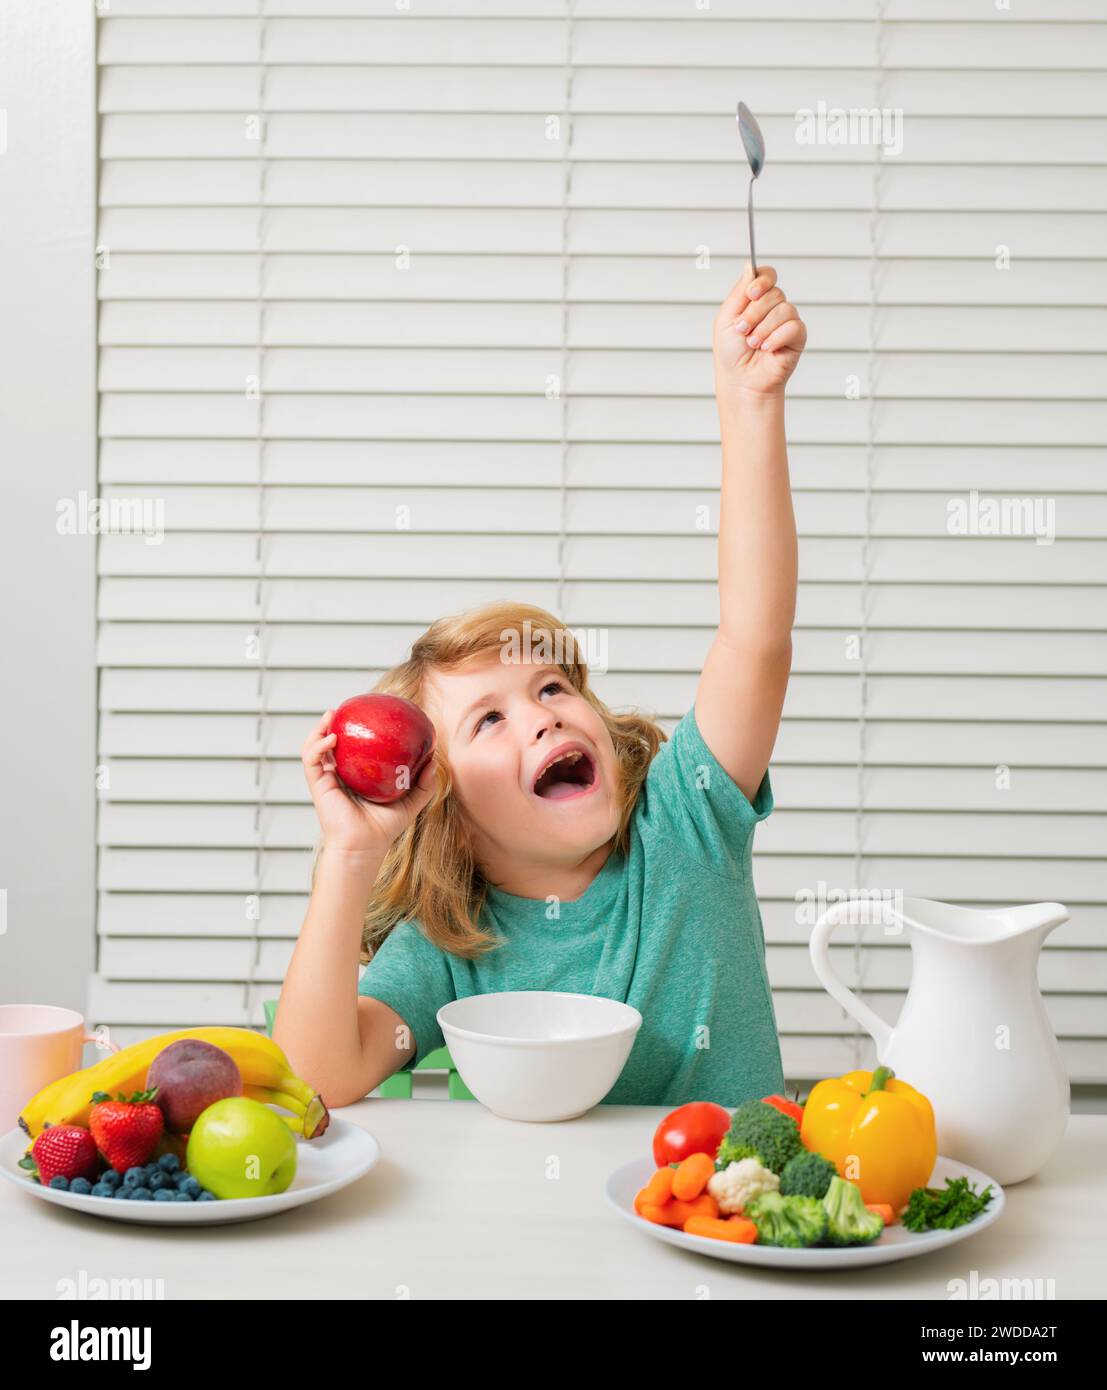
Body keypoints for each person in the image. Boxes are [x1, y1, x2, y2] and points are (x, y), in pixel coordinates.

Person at [275, 263, 807, 1108]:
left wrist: (749, 405)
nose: (540, 718)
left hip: (723, 1223)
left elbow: (755, 634)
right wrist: (349, 854)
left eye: (552, 688)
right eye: (487, 720)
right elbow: (316, 1079)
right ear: (438, 800)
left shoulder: (687, 822)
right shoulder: (449, 945)